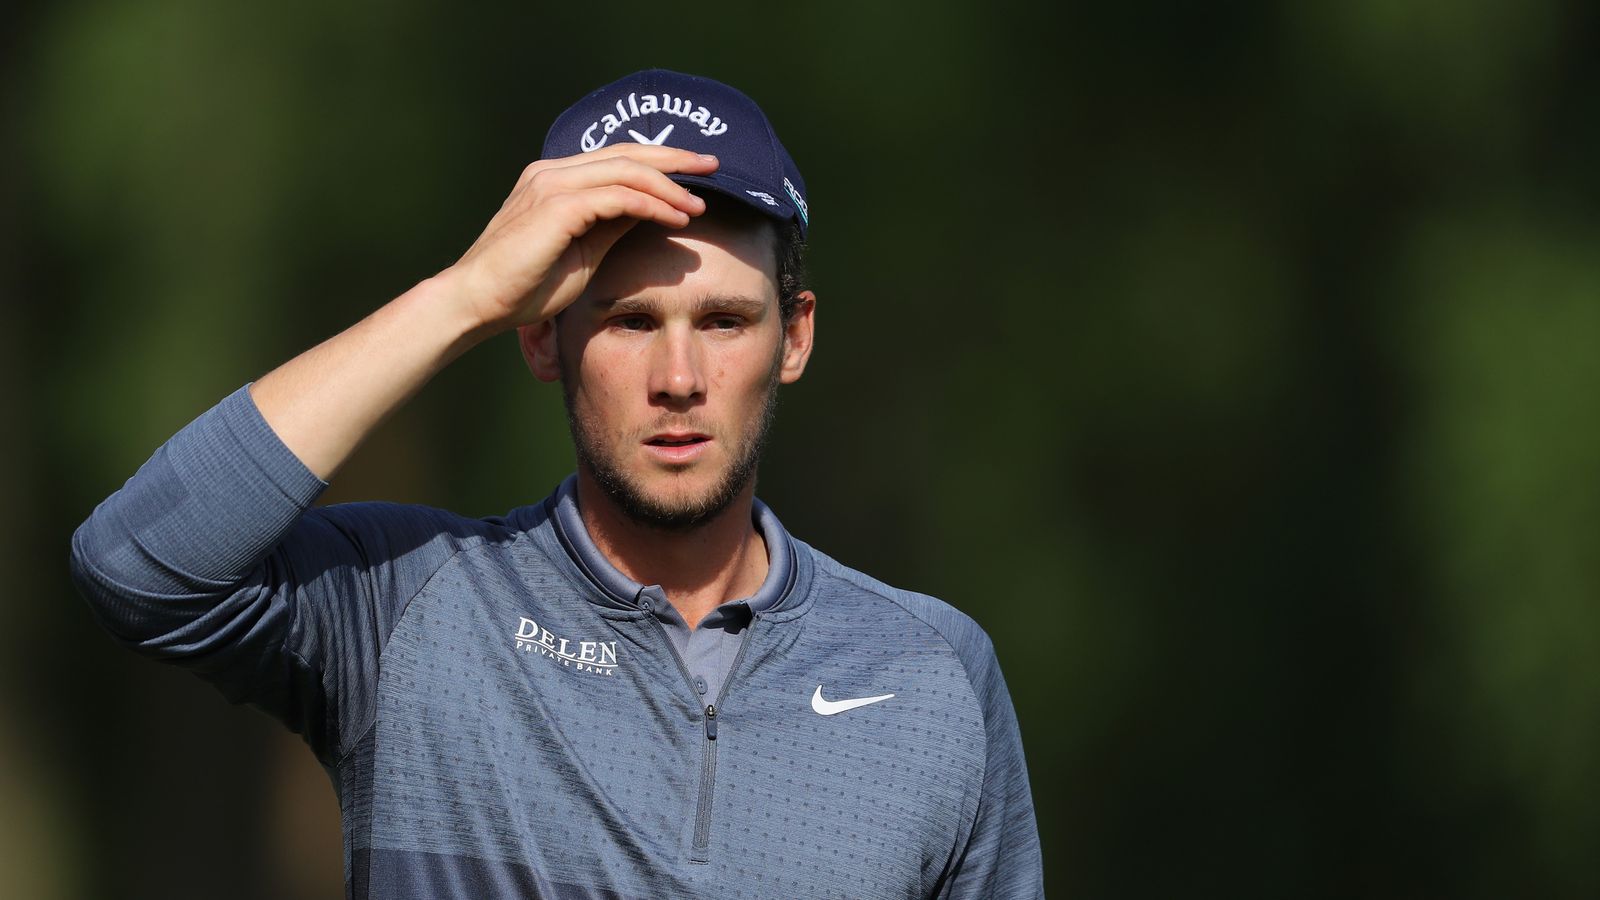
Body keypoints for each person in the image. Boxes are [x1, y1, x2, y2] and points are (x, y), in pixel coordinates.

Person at [69, 69, 1043, 899]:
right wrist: (463, 297)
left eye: (722, 321)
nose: (678, 378)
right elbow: (137, 564)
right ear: (542, 336)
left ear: (794, 338)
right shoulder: (406, 609)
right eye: (627, 321)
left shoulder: (931, 671)